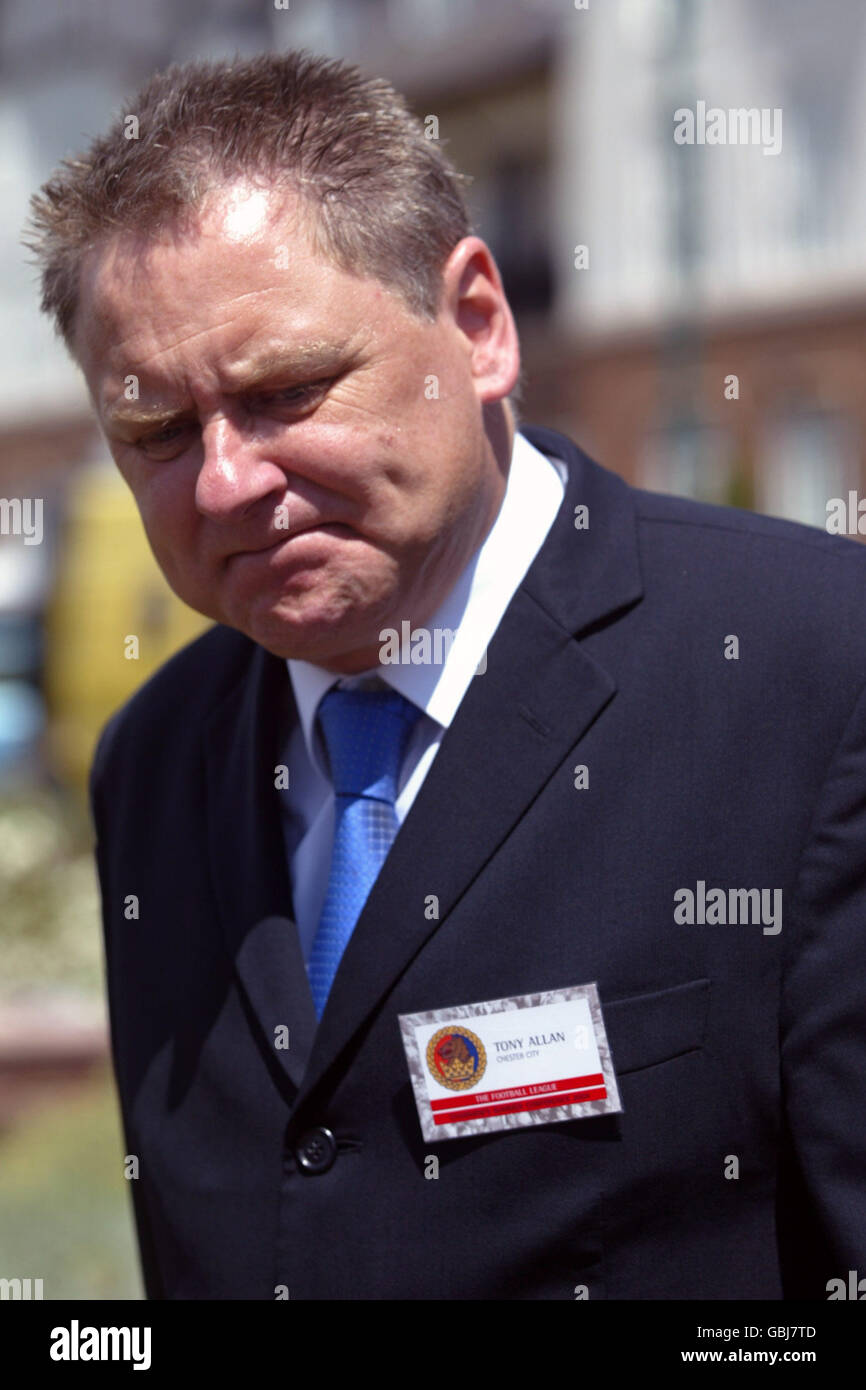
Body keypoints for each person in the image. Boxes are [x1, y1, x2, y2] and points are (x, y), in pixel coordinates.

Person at [27, 50, 866, 1301]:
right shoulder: (155, 755)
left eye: (287, 390)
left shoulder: (813, 669)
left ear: (476, 324)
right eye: (156, 430)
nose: (225, 481)